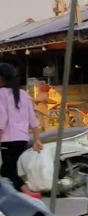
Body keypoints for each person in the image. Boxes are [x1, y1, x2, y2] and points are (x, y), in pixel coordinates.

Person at [0, 63, 42, 191]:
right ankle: (19, 196)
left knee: (8, 171)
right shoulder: (23, 94)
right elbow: (33, 119)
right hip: (22, 139)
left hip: (8, 139)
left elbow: (2, 117)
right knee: (10, 170)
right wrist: (37, 139)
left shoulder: (1, 93)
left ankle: (29, 194)